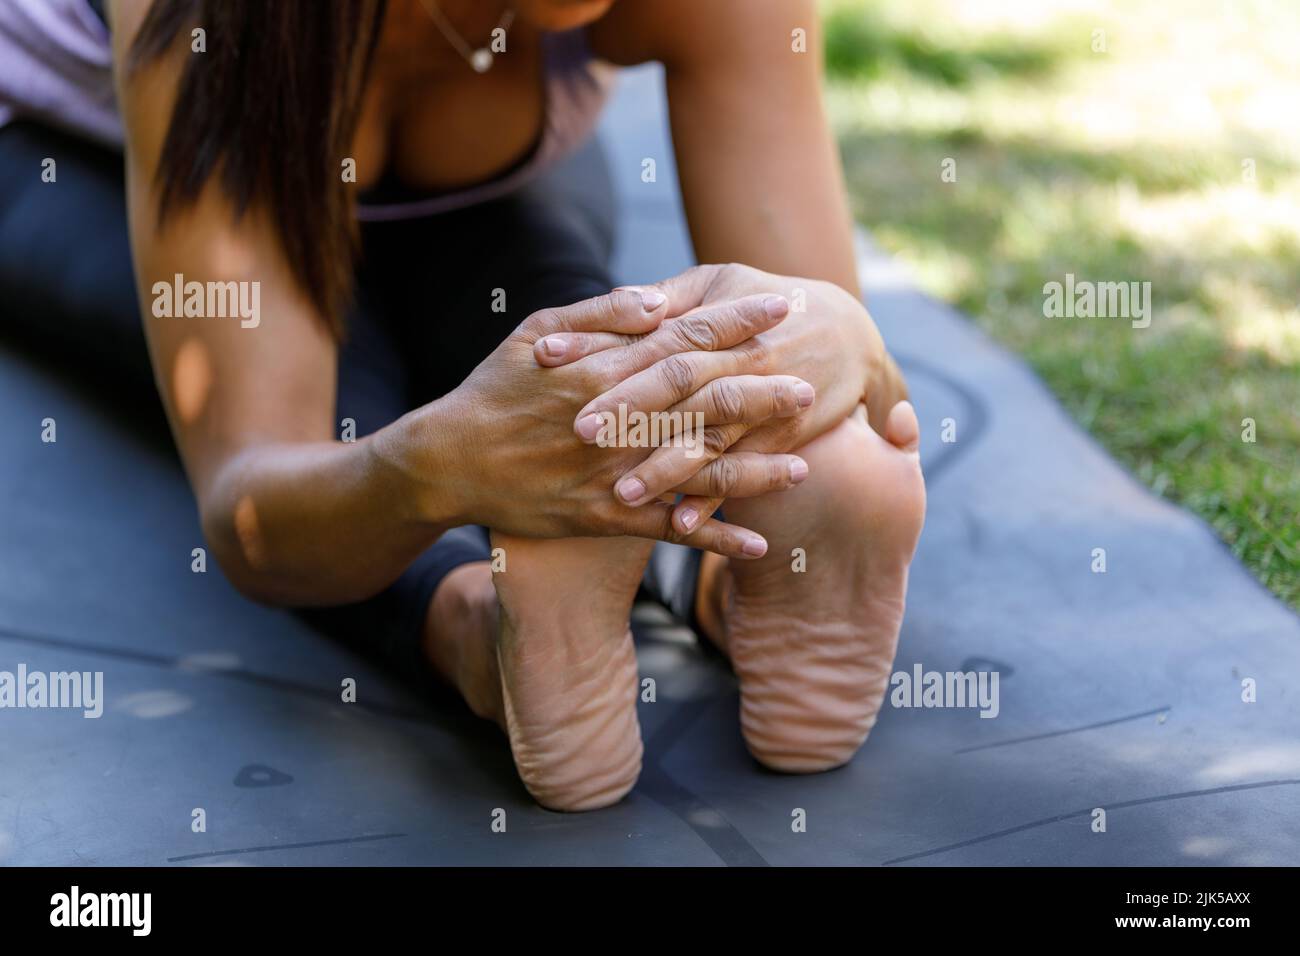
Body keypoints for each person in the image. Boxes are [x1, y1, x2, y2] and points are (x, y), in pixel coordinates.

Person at [0, 0, 925, 811]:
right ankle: (486, 629)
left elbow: (841, 372)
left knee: (578, 354)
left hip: (481, 185)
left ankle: (730, 580)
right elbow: (254, 502)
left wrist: (834, 335)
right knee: (350, 426)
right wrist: (435, 469)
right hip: (76, 155)